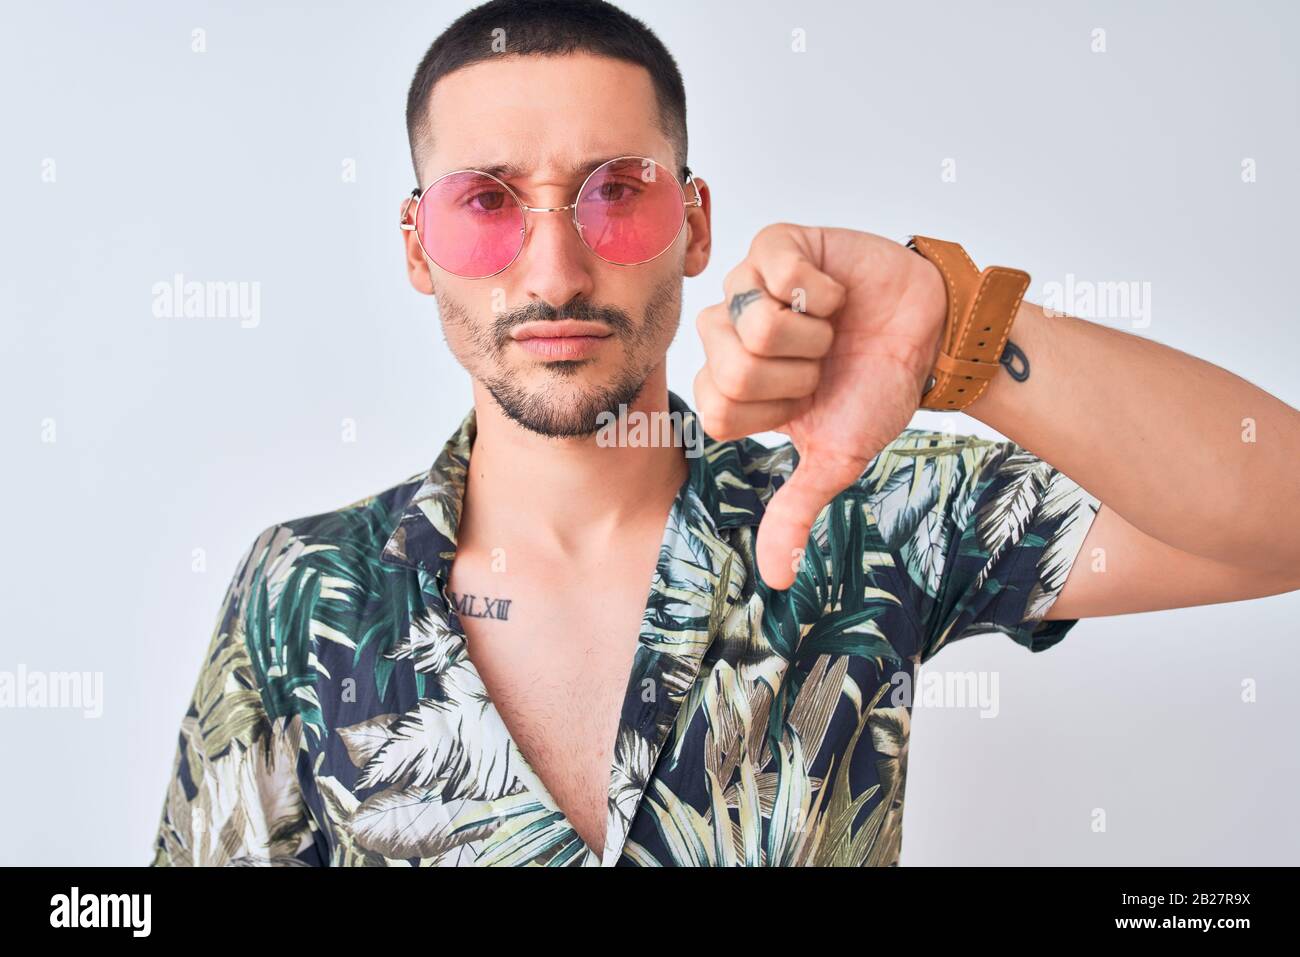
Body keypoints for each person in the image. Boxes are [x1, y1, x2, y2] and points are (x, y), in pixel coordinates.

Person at [151, 0, 1300, 867]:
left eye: (616, 190)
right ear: (417, 247)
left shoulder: (861, 512)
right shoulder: (305, 587)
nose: (555, 270)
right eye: (486, 201)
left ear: (692, 224)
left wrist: (953, 333)